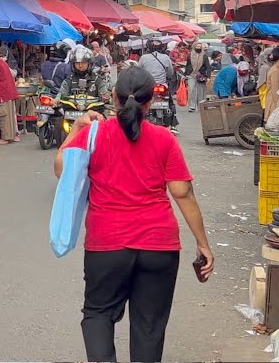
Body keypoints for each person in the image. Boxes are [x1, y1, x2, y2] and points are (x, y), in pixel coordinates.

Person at [54, 67, 214, 363]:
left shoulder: (94, 133)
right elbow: (183, 193)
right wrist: (203, 243)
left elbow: (62, 169)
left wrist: (76, 129)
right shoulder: (164, 139)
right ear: (150, 102)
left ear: (112, 97)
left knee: (98, 315)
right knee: (149, 326)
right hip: (159, 246)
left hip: (107, 245)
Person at [191, 45, 212, 110]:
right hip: (192, 75)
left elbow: (208, 66)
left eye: (200, 47)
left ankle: (201, 105)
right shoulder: (190, 55)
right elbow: (188, 65)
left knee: (201, 91)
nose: (198, 48)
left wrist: (208, 76)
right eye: (197, 46)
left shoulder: (204, 56)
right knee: (192, 90)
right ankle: (192, 106)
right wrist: (185, 74)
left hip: (201, 76)